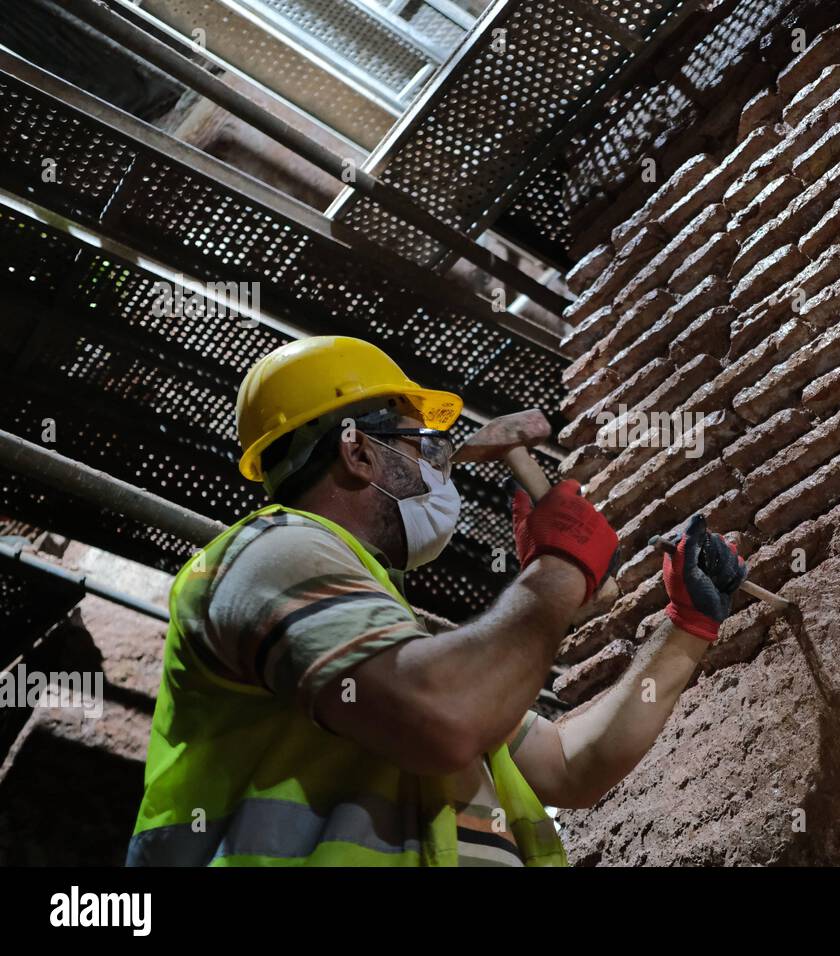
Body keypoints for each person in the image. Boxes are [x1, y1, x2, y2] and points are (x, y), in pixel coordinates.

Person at [127, 335, 747, 866]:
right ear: (358, 450)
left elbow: (566, 764)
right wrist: (561, 569)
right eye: (421, 444)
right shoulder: (274, 551)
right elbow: (447, 717)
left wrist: (686, 627)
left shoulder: (393, 651)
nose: (437, 466)